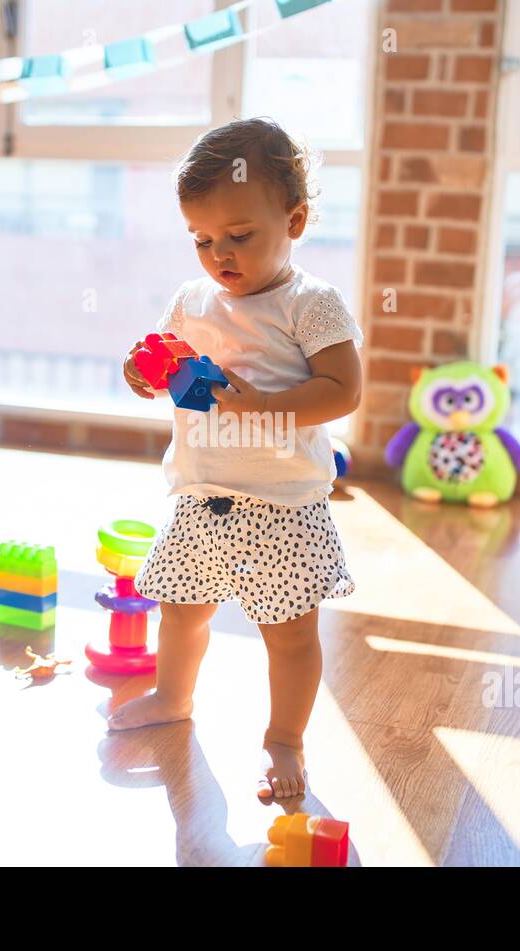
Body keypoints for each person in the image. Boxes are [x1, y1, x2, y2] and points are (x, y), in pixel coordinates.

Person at [110, 118, 363, 802]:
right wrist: (142, 370)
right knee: (181, 609)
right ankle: (172, 693)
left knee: (288, 632)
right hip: (200, 495)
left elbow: (344, 389)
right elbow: (166, 365)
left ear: (296, 219)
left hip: (282, 507)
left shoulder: (311, 304)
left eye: (239, 236)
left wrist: (261, 406)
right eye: (201, 239)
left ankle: (284, 736)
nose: (219, 253)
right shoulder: (191, 301)